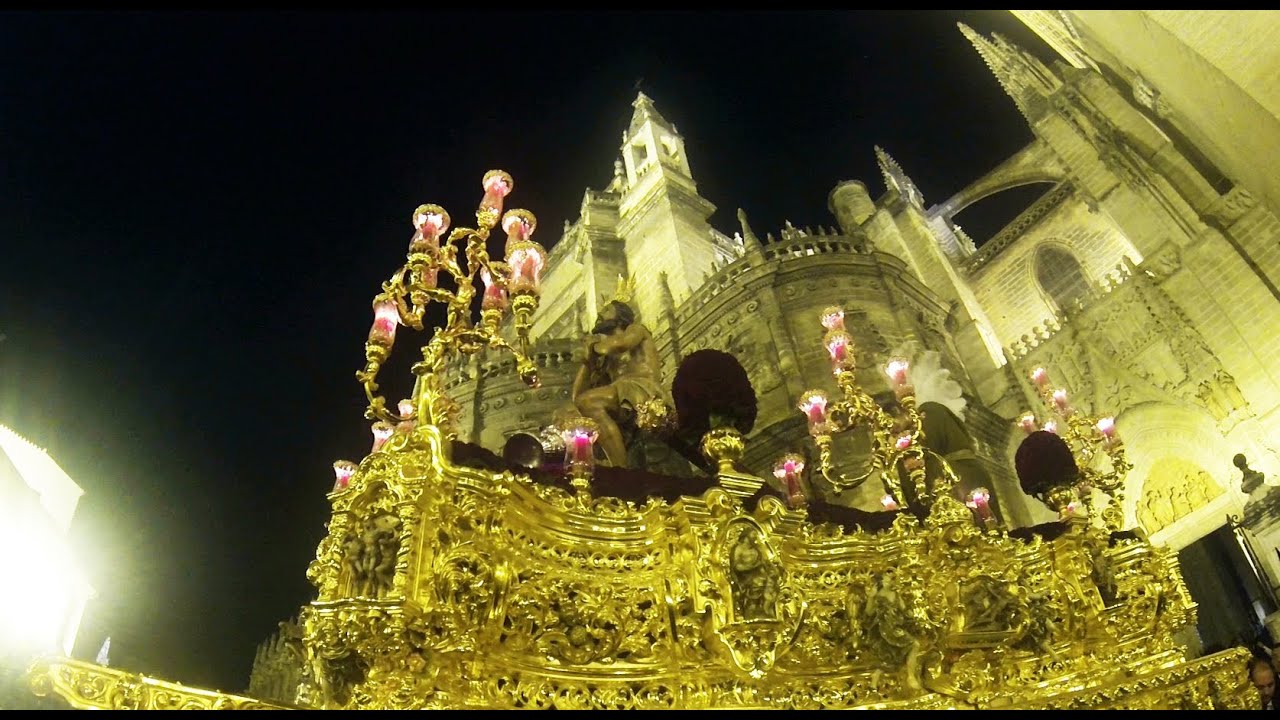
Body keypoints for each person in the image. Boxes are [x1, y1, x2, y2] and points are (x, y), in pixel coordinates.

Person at [571, 298, 664, 467]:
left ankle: (620, 468)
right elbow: (577, 397)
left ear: (621, 318)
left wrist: (593, 347)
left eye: (606, 310)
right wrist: (587, 362)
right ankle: (617, 465)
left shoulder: (636, 330)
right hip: (621, 394)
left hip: (643, 388)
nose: (599, 314)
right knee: (579, 410)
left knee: (589, 401)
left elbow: (621, 344)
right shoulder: (605, 356)